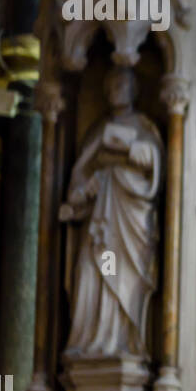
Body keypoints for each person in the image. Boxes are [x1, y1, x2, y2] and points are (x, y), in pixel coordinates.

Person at [59, 67, 163, 359]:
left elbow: (154, 168)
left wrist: (131, 149)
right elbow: (79, 178)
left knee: (124, 279)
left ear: (134, 90)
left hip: (131, 223)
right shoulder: (96, 132)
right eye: (112, 84)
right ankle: (88, 343)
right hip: (99, 223)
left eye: (122, 83)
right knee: (89, 273)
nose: (116, 89)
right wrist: (81, 195)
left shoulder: (145, 128)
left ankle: (122, 344)